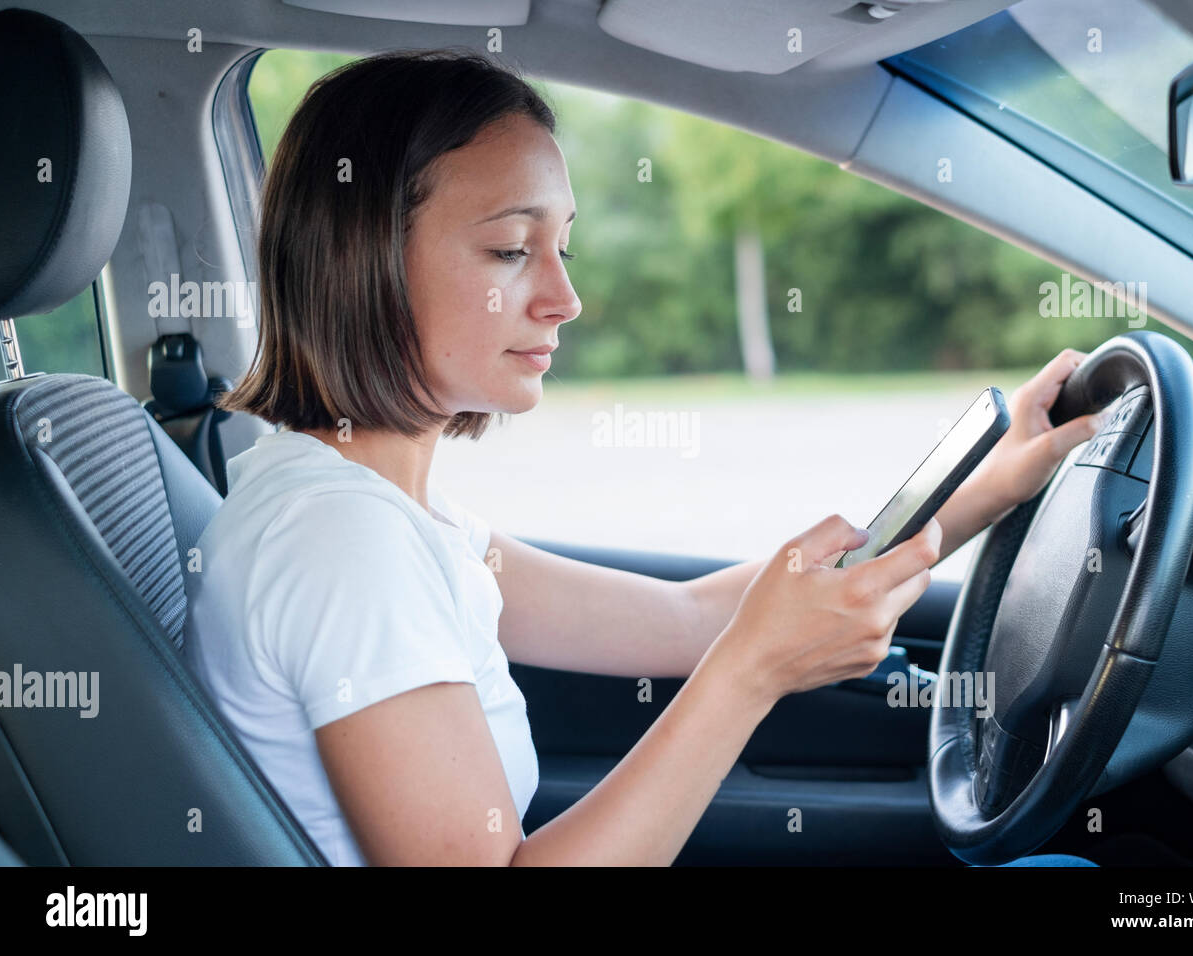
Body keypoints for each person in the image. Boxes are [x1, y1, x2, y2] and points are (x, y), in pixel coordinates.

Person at [183, 48, 1105, 867]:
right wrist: (753, 672)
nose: (565, 297)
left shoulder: (377, 513)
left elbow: (682, 617)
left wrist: (988, 487)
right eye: (511, 248)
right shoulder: (346, 546)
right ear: (362, 260)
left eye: (564, 245)